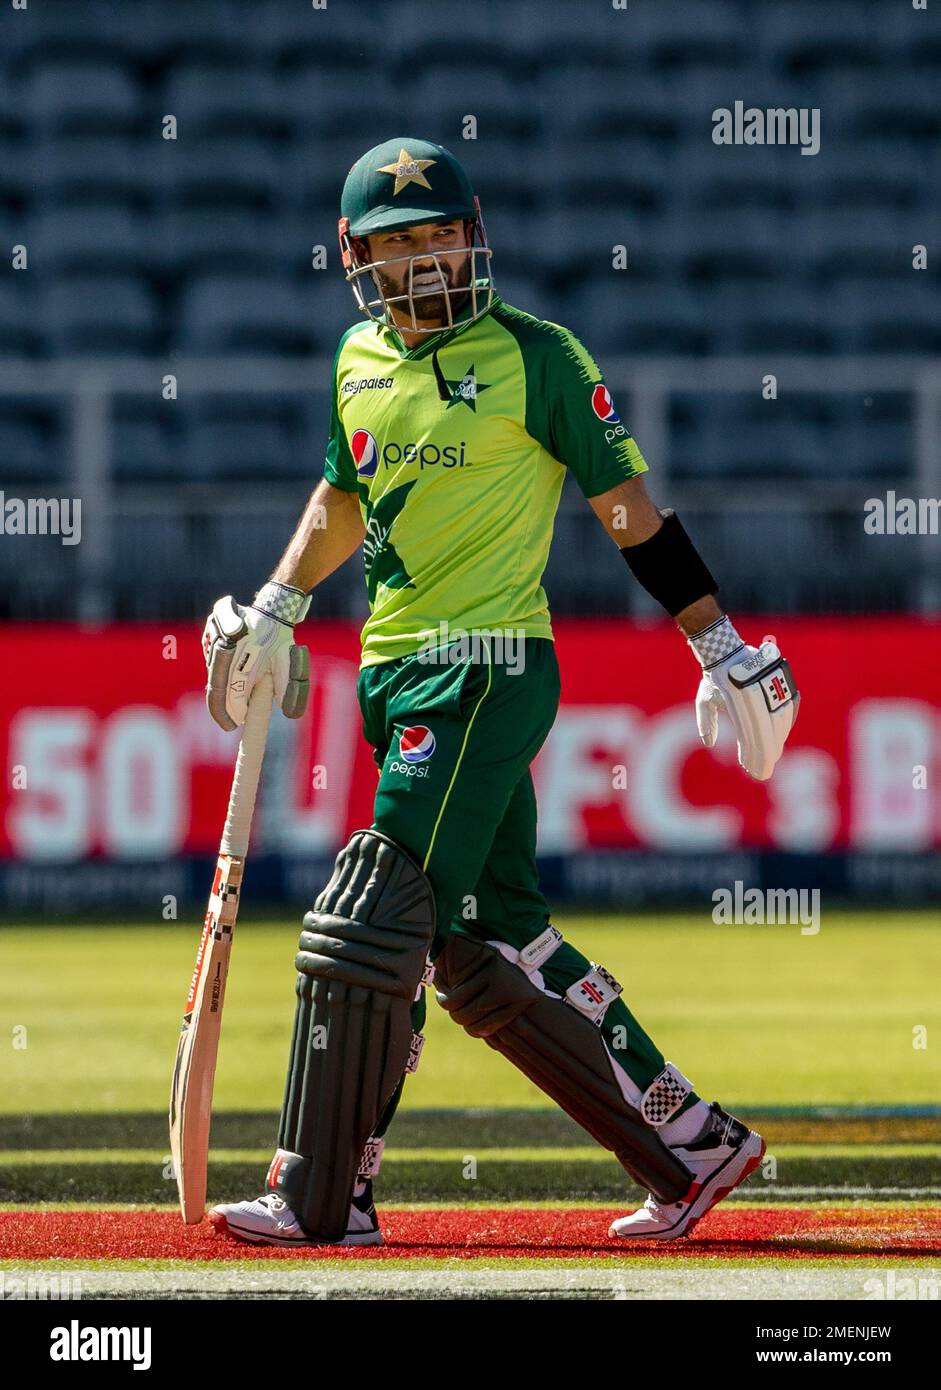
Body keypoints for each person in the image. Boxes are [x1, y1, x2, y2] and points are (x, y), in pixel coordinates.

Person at [202, 138, 799, 1247]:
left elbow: (628, 510)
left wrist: (716, 644)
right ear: (355, 255)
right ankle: (691, 1144)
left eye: (439, 235)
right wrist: (281, 600)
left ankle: (323, 1191)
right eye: (398, 243)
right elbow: (343, 493)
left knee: (368, 910)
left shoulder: (538, 355)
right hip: (393, 670)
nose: (426, 261)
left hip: (487, 667)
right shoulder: (354, 360)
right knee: (481, 947)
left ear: (470, 231)